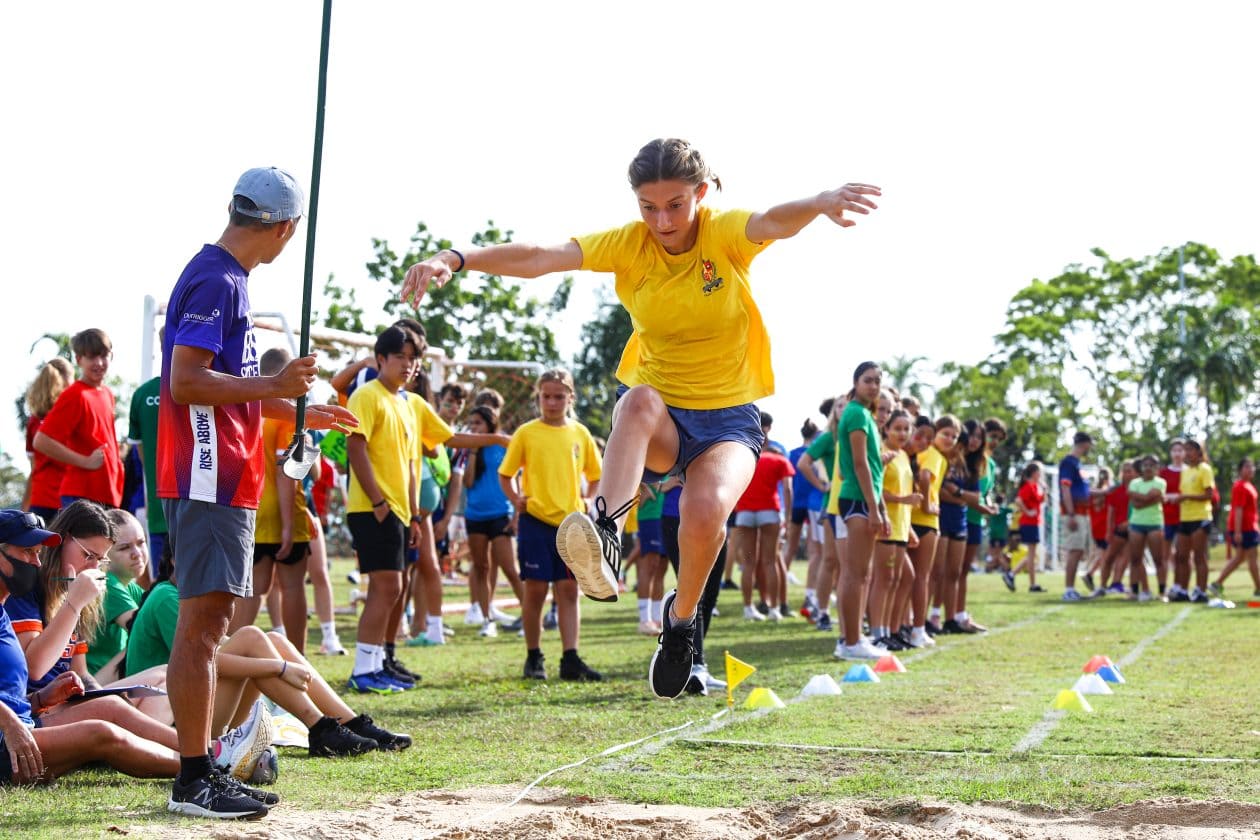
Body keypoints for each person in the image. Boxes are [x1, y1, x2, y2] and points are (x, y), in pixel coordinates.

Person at [401, 138, 879, 698]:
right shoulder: (631, 245)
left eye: (676, 204)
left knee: (703, 514)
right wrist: (456, 258)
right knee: (635, 399)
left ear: (700, 194)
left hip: (728, 420)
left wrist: (820, 201)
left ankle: (679, 627)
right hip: (664, 420)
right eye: (649, 207)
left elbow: (773, 221)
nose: (663, 220)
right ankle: (605, 532)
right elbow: (540, 257)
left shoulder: (722, 234)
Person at [158, 166, 355, 819]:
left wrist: (299, 411)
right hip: (207, 477)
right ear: (284, 227)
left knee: (212, 627)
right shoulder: (218, 279)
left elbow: (227, 390)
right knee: (204, 628)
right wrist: (276, 388)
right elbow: (187, 383)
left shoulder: (225, 277)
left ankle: (203, 769)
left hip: (222, 475)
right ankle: (194, 778)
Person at [0, 509, 186, 787]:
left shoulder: (4, 608)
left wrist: (40, 699)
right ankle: (206, 767)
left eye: (100, 560)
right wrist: (9, 722)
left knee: (111, 706)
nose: (36, 562)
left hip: (28, 721)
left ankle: (210, 753)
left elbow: (17, 688)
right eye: (27, 552)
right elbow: (35, 668)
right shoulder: (30, 599)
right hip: (12, 736)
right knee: (102, 732)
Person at [498, 369, 604, 682]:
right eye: (546, 396)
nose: (552, 402)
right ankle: (534, 656)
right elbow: (506, 474)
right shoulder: (526, 433)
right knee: (535, 592)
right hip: (535, 522)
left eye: (559, 396)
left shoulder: (580, 434)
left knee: (569, 591)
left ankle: (570, 658)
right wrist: (516, 498)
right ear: (538, 398)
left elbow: (596, 475)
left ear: (571, 398)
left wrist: (587, 500)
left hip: (571, 525)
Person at [228, 347, 316, 654]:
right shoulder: (289, 417)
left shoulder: (250, 411)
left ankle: (229, 657)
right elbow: (286, 473)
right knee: (292, 586)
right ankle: (298, 659)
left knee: (252, 590)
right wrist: (289, 525)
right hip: (281, 511)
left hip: (251, 510)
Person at [31, 329, 124, 509]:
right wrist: (85, 461)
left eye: (104, 356)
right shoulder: (74, 395)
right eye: (91, 357)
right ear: (79, 359)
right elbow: (41, 441)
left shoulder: (107, 393)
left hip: (108, 494)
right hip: (82, 495)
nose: (99, 363)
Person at [833, 363, 889, 659]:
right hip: (856, 499)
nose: (874, 386)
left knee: (863, 574)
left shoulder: (865, 414)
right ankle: (850, 642)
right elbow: (859, 464)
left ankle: (853, 638)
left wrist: (881, 508)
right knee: (855, 574)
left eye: (878, 381)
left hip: (864, 499)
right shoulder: (855, 413)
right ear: (855, 383)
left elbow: (875, 467)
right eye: (868, 380)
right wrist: (872, 506)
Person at [461, 405, 520, 638]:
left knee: (509, 568)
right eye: (471, 423)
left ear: (490, 424)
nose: (474, 427)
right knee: (481, 568)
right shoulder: (468, 448)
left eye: (478, 423)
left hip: (500, 514)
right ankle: (488, 620)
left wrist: (516, 513)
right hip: (475, 516)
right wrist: (474, 452)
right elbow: (467, 482)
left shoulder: (503, 446)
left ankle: (529, 618)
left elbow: (515, 479)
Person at [732, 412, 795, 622]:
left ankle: (748, 608)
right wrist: (788, 515)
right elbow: (787, 489)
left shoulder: (742, 456)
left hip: (744, 513)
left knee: (748, 563)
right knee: (770, 562)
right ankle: (774, 608)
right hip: (770, 511)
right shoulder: (778, 458)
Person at [871, 409, 919, 651]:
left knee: (903, 577)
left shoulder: (903, 456)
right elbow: (875, 488)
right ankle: (877, 632)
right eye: (897, 428)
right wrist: (901, 501)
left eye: (906, 428)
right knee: (885, 579)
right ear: (886, 429)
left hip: (901, 526)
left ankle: (892, 630)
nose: (902, 433)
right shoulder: (882, 453)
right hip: (886, 524)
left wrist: (909, 527)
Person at [87, 510, 148, 682]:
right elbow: (148, 630)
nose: (137, 553)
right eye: (124, 547)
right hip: (93, 684)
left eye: (141, 543)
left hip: (109, 680)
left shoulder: (129, 586)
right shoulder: (105, 582)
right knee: (148, 642)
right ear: (104, 555)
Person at [23, 358, 76, 522]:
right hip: (67, 498)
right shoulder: (71, 416)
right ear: (68, 380)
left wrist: (25, 507)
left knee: (38, 548)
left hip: (40, 499)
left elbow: (34, 468)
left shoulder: (34, 420)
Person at [128, 363, 167, 581]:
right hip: (189, 510)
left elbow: (141, 453)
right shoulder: (201, 386)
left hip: (158, 507)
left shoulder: (143, 393)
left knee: (161, 583)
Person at [1211, 458, 1260, 597]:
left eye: (1252, 467)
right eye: (1247, 467)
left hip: (1250, 527)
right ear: (1240, 470)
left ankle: (1217, 583)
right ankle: (1258, 588)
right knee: (1252, 558)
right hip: (1245, 529)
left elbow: (1252, 510)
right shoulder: (1240, 486)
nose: (1250, 469)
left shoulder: (1249, 485)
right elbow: (1238, 509)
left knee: (1239, 558)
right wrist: (1238, 531)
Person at [1174, 439, 1215, 603]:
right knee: (1182, 556)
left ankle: (1201, 591)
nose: (1187, 453)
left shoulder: (1204, 469)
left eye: (1190, 449)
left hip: (1201, 518)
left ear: (1198, 452)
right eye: (1185, 450)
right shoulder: (1185, 471)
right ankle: (1183, 590)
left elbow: (1208, 495)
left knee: (1199, 556)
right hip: (1185, 517)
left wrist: (1186, 497)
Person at [1058, 431, 1095, 601]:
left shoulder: (1077, 464)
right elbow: (1065, 488)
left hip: (1081, 512)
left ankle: (1071, 588)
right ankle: (1068, 589)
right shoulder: (1069, 462)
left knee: (1079, 550)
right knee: (1074, 550)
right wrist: (1071, 513)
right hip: (1074, 513)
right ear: (1084, 443)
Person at [1125, 455, 1163, 603]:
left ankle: (1161, 591)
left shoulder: (1160, 482)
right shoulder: (1135, 482)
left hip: (1154, 523)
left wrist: (1140, 498)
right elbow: (1136, 502)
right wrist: (1149, 498)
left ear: (1157, 468)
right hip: (1136, 524)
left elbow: (1141, 500)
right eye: (1145, 465)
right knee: (1135, 559)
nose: (1148, 468)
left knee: (1158, 559)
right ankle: (1135, 591)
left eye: (1152, 465)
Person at [1007, 462, 1047, 593]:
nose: (1041, 474)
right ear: (1034, 472)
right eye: (1039, 471)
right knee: (1032, 554)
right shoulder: (1028, 486)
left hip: (1034, 522)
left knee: (1032, 554)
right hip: (1028, 523)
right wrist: (1028, 512)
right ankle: (1024, 580)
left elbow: (1041, 501)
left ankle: (1014, 576)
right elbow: (1018, 501)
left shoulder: (1035, 486)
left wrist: (1044, 489)